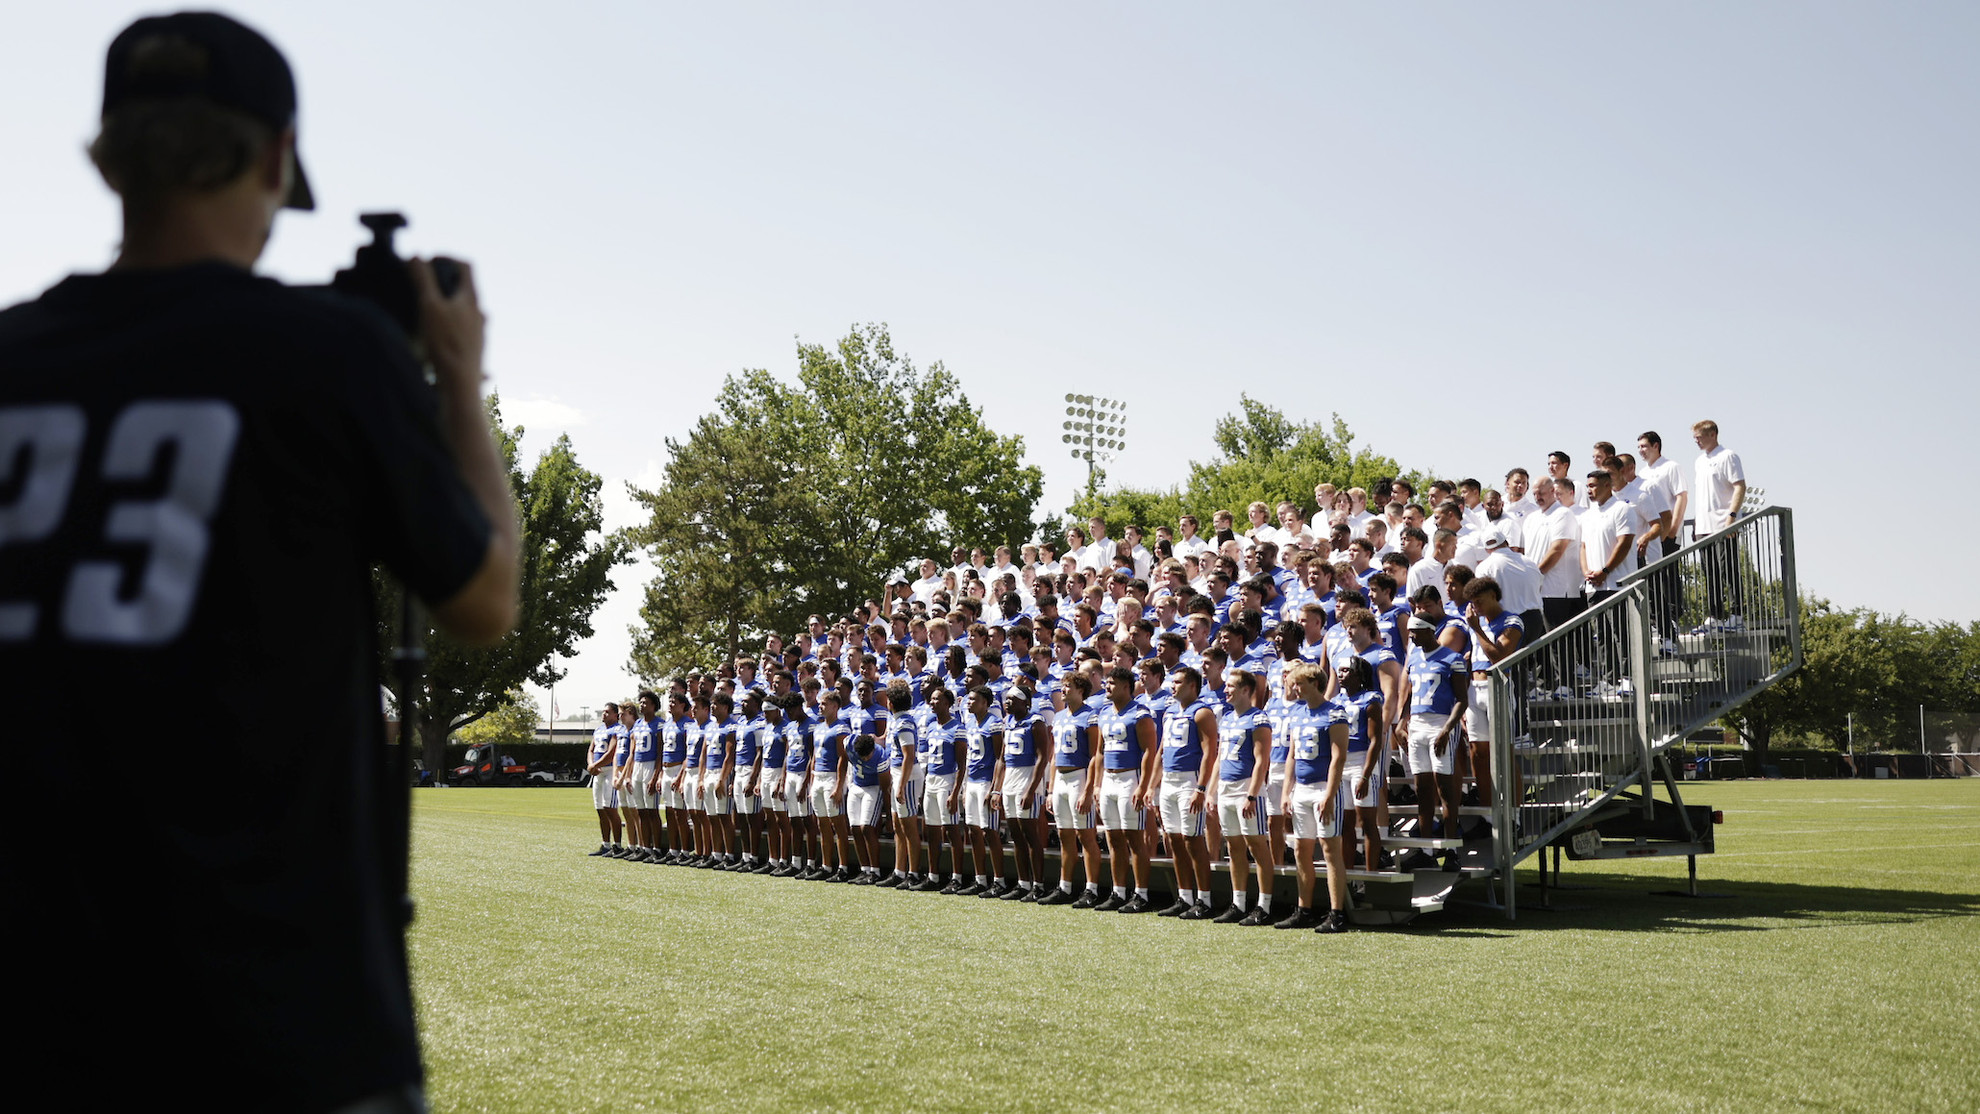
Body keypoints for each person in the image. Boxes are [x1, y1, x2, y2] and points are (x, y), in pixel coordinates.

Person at [0, 13, 522, 1107]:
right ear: (278, 158)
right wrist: (459, 383)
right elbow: (482, 598)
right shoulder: (326, 354)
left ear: (110, 156)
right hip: (274, 1015)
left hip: (38, 1012)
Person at [1277, 664, 1353, 933]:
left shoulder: (1334, 712)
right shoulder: (1297, 712)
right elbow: (1291, 756)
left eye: (1300, 683)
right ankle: (1304, 909)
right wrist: (1286, 791)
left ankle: (1337, 913)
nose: (1295, 688)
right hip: (1302, 789)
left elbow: (1338, 757)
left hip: (1323, 788)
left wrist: (1330, 794)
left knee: (1330, 850)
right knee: (1301, 849)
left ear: (1315, 683)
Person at [1156, 667, 1221, 920]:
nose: (1172, 686)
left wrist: (1201, 788)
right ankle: (1184, 897)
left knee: (1192, 839)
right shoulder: (1170, 712)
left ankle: (1204, 899)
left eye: (1178, 682)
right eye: (1172, 682)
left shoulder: (1202, 712)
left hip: (1188, 780)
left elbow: (1209, 752)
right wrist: (1152, 784)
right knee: (1173, 839)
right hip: (1169, 780)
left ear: (1193, 685)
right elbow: (1162, 750)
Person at [1214, 670, 1278, 926]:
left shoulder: (1258, 718)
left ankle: (1264, 905)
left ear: (1245, 690)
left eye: (1231, 686)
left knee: (1257, 845)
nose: (1225, 690)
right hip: (1226, 787)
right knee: (1233, 846)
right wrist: (1210, 789)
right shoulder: (1227, 718)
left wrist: (1252, 794)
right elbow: (1220, 757)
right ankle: (1238, 903)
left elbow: (1262, 760)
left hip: (1246, 787)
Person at [1040, 672, 1107, 906]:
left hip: (1079, 775)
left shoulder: (1090, 716)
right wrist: (1050, 789)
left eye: (1068, 686)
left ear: (1081, 690)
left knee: (1086, 835)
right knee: (1064, 835)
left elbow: (1095, 755)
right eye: (1063, 686)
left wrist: (1089, 789)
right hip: (1061, 778)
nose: (1064, 690)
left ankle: (1092, 889)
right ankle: (1065, 886)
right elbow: (1054, 755)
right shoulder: (1059, 716)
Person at [1095, 667, 1158, 912]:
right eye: (1107, 682)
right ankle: (1118, 891)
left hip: (1130, 778)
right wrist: (1097, 783)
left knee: (1134, 838)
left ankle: (1141, 894)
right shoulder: (1104, 712)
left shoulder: (1140, 713)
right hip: (1109, 779)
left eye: (1112, 683)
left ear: (1125, 686)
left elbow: (1149, 751)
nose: (1107, 686)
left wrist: (1143, 786)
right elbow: (1099, 752)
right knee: (1113, 838)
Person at [1691, 419, 1748, 623]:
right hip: (1704, 526)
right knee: (1710, 573)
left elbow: (1740, 486)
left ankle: (1736, 614)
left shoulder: (1728, 456)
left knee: (1729, 569)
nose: (1696, 441)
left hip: (1724, 524)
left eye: (1699, 437)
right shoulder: (1699, 461)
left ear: (1712, 435)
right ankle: (1715, 614)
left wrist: (1732, 516)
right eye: (1694, 438)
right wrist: (1697, 523)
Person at [998, 687, 1051, 900]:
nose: (1008, 702)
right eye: (1007, 698)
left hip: (1027, 779)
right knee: (1016, 835)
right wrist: (997, 788)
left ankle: (1038, 885)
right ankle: (1023, 883)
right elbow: (1002, 759)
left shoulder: (1035, 722)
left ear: (1025, 702)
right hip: (1010, 780)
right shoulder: (1007, 723)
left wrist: (1030, 790)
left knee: (1030, 834)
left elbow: (1043, 757)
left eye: (1013, 699)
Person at [586, 705, 625, 855]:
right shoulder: (599, 729)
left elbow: (611, 753)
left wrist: (594, 765)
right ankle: (605, 844)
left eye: (607, 712)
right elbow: (591, 749)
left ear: (616, 715)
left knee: (610, 808)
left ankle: (617, 845)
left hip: (610, 771)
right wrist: (591, 764)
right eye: (603, 711)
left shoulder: (618, 729)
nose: (604, 714)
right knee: (600, 809)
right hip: (598, 772)